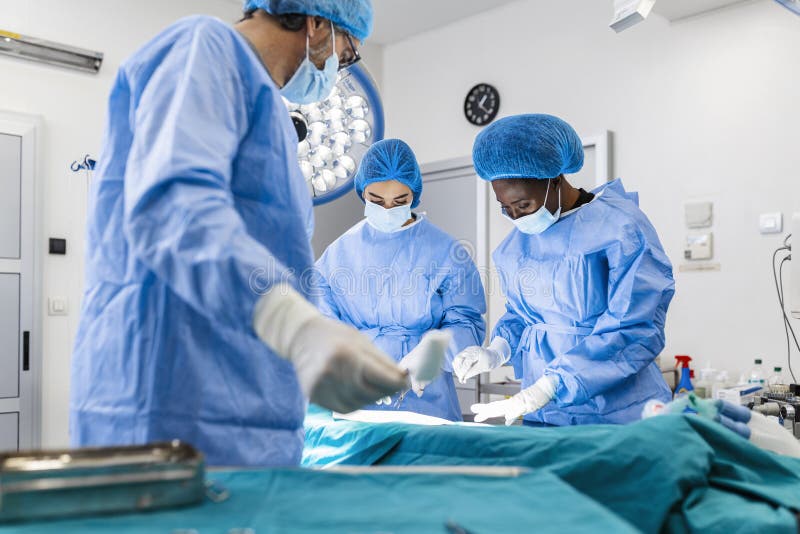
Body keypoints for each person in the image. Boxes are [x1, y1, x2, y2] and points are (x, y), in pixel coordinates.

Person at [70, 0, 409, 467]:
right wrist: (294, 326)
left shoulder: (268, 111)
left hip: (245, 399)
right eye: (345, 54)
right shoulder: (203, 48)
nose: (335, 69)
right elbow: (176, 208)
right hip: (171, 389)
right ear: (316, 25)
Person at [454, 114, 674, 426]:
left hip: (618, 412)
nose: (517, 217)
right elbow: (522, 316)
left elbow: (635, 328)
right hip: (546, 412)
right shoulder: (516, 246)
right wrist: (497, 350)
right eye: (507, 210)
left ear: (555, 180)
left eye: (525, 205)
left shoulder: (621, 228)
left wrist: (553, 383)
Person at [314, 139, 487, 421]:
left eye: (399, 202)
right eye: (377, 201)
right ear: (362, 192)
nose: (387, 209)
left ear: (414, 195)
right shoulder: (338, 253)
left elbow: (467, 322)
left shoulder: (446, 252)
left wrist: (432, 353)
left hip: (426, 397)